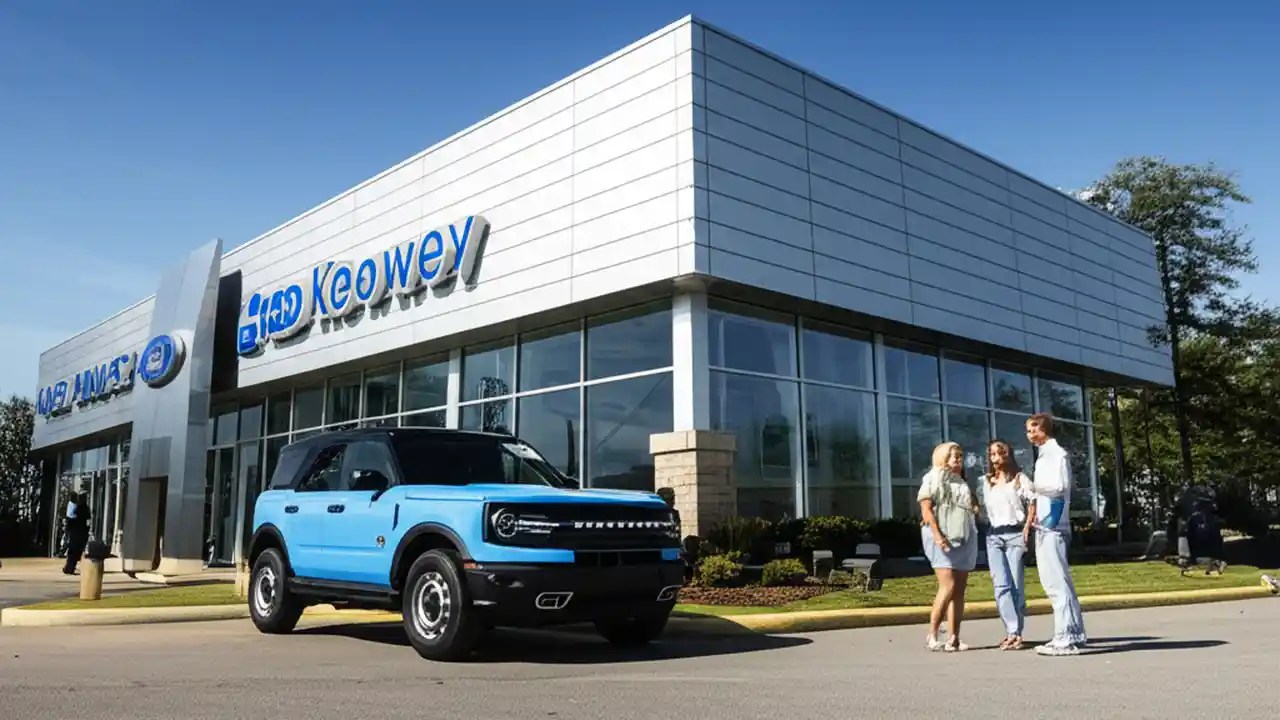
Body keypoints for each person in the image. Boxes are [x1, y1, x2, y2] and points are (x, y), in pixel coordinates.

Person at [1025, 413, 1087, 656]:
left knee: (1055, 582)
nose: (1030, 435)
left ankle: (1066, 637)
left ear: (1046, 429)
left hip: (1053, 526)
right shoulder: (1045, 454)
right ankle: (1074, 633)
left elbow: (1060, 487)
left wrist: (1032, 487)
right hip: (1047, 525)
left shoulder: (1056, 454)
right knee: (1058, 581)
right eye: (1028, 430)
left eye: (1034, 429)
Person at [917, 441, 979, 652]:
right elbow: (926, 509)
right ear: (943, 458)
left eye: (961, 457)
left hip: (963, 536)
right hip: (941, 536)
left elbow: (972, 508)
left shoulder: (962, 483)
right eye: (954, 456)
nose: (958, 461)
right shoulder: (932, 479)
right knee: (948, 585)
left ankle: (954, 636)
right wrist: (937, 535)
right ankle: (932, 633)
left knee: (959, 589)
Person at [976, 440, 1035, 651]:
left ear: (1008, 456)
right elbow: (984, 510)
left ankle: (1017, 633)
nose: (996, 458)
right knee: (1000, 586)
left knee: (1015, 585)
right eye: (992, 454)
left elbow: (1033, 502)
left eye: (1000, 453)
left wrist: (1028, 527)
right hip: (994, 536)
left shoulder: (1020, 479)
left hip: (1014, 535)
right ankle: (1010, 631)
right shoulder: (986, 481)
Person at [63, 492, 92, 575]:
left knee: (72, 552)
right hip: (82, 534)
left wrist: (68, 529)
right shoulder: (85, 508)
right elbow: (88, 521)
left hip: (75, 533)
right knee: (76, 552)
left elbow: (72, 520)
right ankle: (71, 567)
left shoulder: (78, 508)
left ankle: (69, 568)